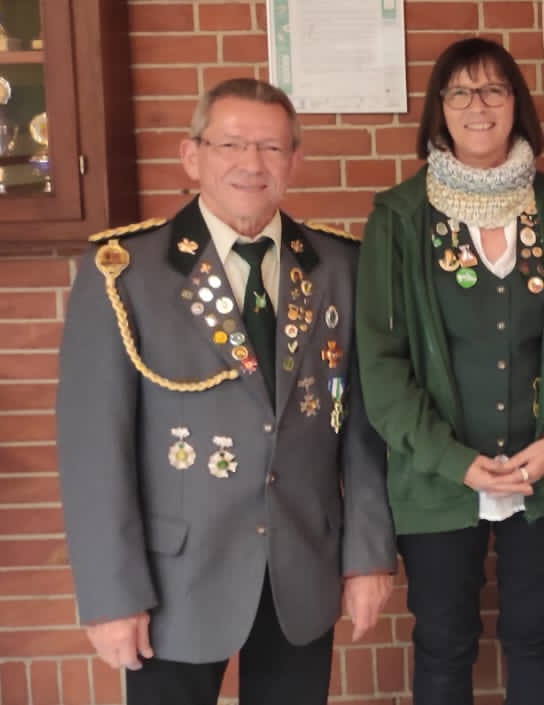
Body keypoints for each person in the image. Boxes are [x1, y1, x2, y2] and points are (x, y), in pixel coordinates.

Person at [56, 78, 395, 705]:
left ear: (294, 161)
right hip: (172, 579)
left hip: (301, 564)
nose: (252, 164)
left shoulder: (340, 266)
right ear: (193, 157)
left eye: (271, 147)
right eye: (231, 144)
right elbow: (93, 450)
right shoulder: (125, 274)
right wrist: (111, 596)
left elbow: (364, 429)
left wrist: (368, 556)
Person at [356, 38, 544, 705]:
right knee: (444, 638)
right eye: (460, 91)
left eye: (494, 89)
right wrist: (453, 460)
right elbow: (381, 366)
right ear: (439, 110)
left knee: (537, 630)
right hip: (437, 477)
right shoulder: (400, 218)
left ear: (516, 106)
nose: (478, 105)